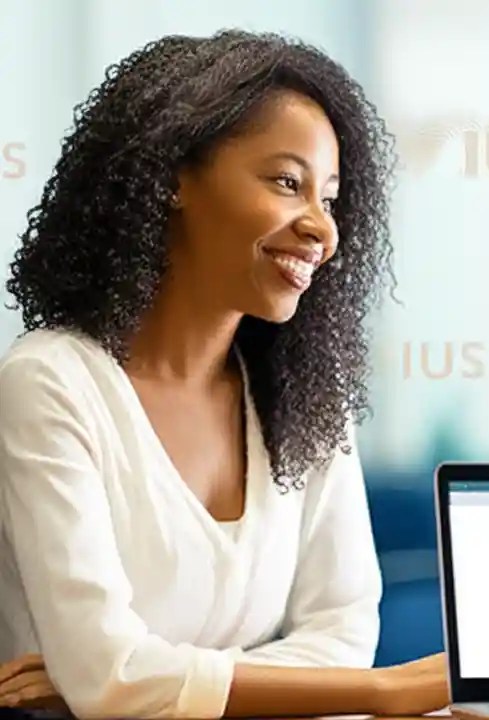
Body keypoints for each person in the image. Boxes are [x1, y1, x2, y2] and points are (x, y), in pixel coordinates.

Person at [0, 30, 449, 719]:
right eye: (287, 183)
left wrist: (147, 681)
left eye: (330, 198)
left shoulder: (308, 399)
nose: (322, 229)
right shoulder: (50, 383)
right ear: (172, 176)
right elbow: (114, 673)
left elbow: (342, 637)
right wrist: (389, 690)